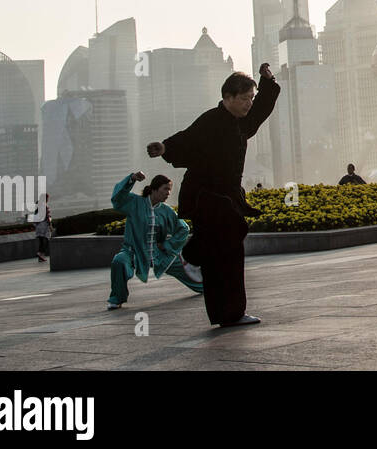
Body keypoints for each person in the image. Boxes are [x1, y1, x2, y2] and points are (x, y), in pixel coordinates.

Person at [147, 63, 280, 328]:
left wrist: (267, 81)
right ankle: (194, 256)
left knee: (225, 255)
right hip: (207, 196)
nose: (249, 104)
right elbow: (187, 138)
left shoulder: (242, 123)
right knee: (230, 244)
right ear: (227, 98)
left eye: (250, 98)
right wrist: (164, 147)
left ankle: (225, 312)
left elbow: (263, 109)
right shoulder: (211, 120)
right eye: (244, 99)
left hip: (225, 196)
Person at [107, 171, 204, 310]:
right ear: (154, 189)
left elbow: (183, 229)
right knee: (119, 261)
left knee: (189, 271)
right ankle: (117, 298)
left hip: (159, 253)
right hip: (132, 251)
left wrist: (167, 245)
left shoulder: (166, 211)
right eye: (165, 189)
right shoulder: (135, 203)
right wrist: (132, 179)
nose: (168, 193)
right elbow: (118, 198)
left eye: (169, 190)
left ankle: (209, 288)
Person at [33, 195, 52, 262]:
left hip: (38, 226)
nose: (48, 199)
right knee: (46, 240)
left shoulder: (38, 205)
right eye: (47, 198)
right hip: (44, 225)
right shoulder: (44, 205)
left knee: (41, 241)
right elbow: (47, 216)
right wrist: (50, 225)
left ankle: (40, 256)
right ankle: (41, 253)